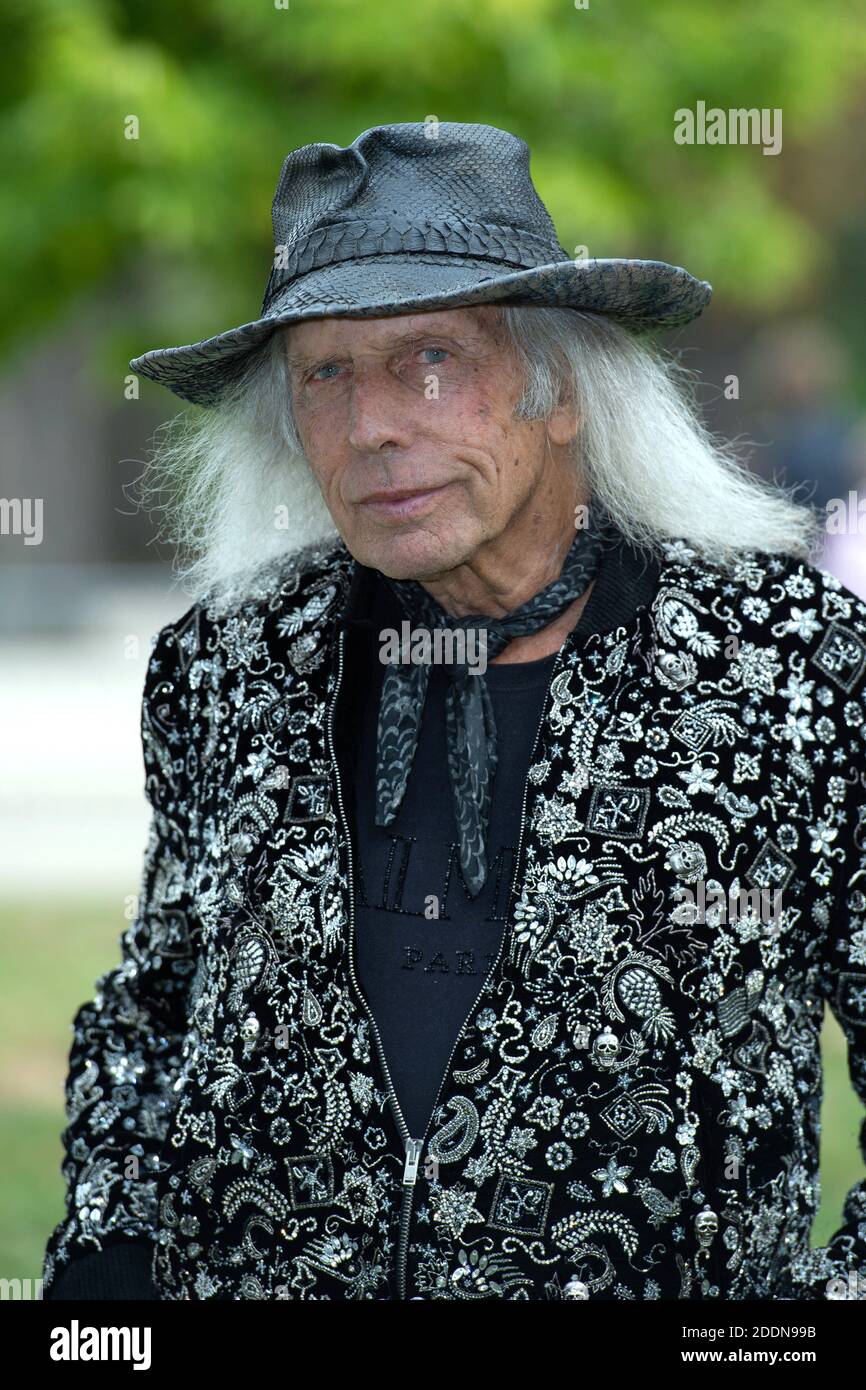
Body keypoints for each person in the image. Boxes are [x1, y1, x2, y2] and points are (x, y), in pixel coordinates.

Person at [42, 121, 866, 1301]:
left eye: (427, 359)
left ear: (561, 391)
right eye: (324, 373)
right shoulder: (230, 663)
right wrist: (103, 1281)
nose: (371, 424)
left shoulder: (788, 665)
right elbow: (155, 1008)